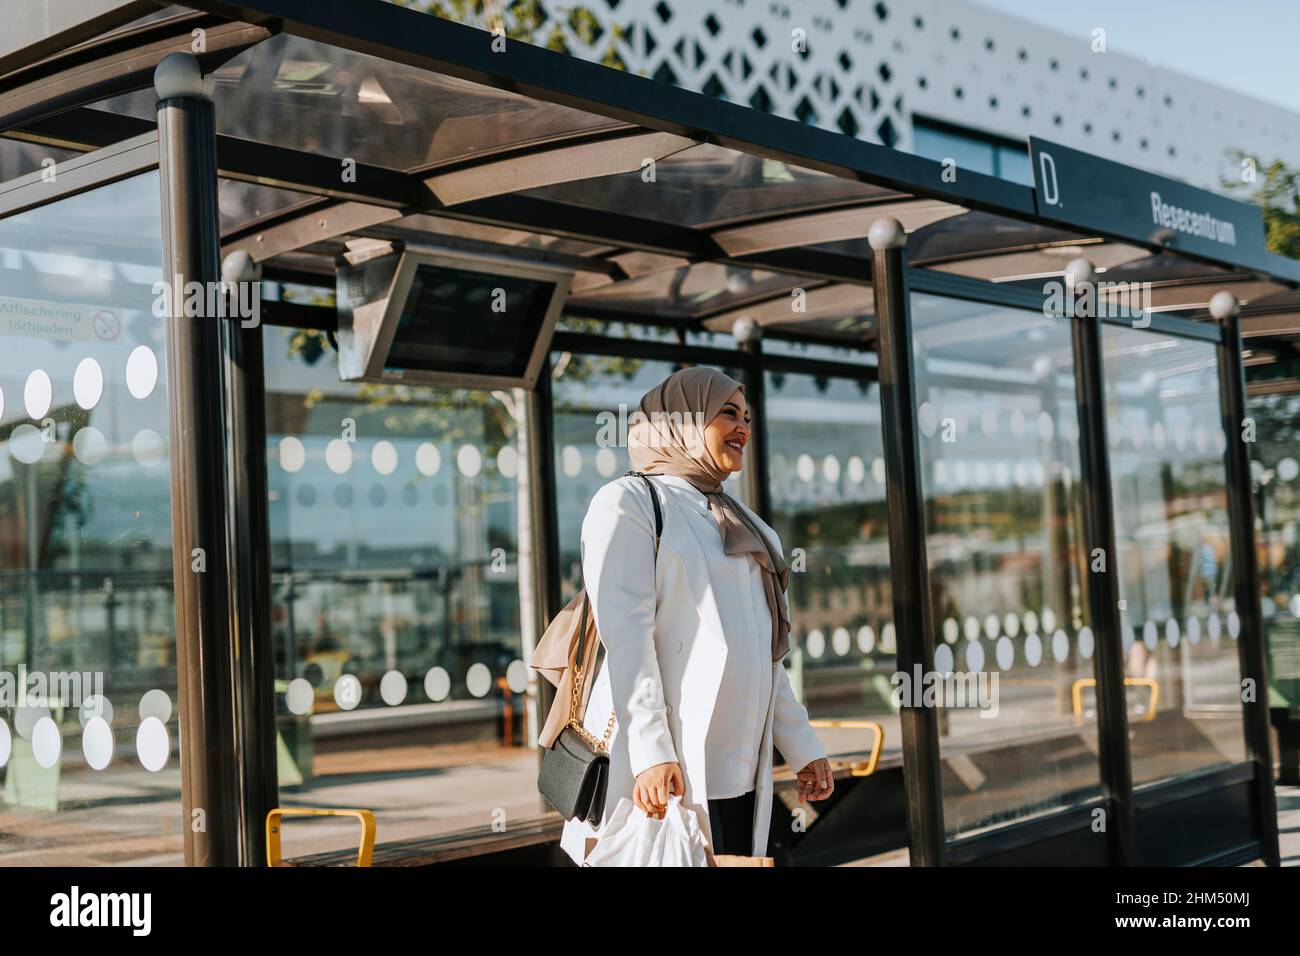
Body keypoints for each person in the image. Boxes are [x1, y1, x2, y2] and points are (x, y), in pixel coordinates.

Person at [559, 366, 834, 865]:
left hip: (742, 771)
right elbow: (628, 641)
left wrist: (802, 746)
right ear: (679, 421)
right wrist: (651, 753)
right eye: (727, 413)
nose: (744, 428)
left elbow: (767, 651)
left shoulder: (748, 525)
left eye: (747, 417)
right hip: (670, 767)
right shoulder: (627, 504)